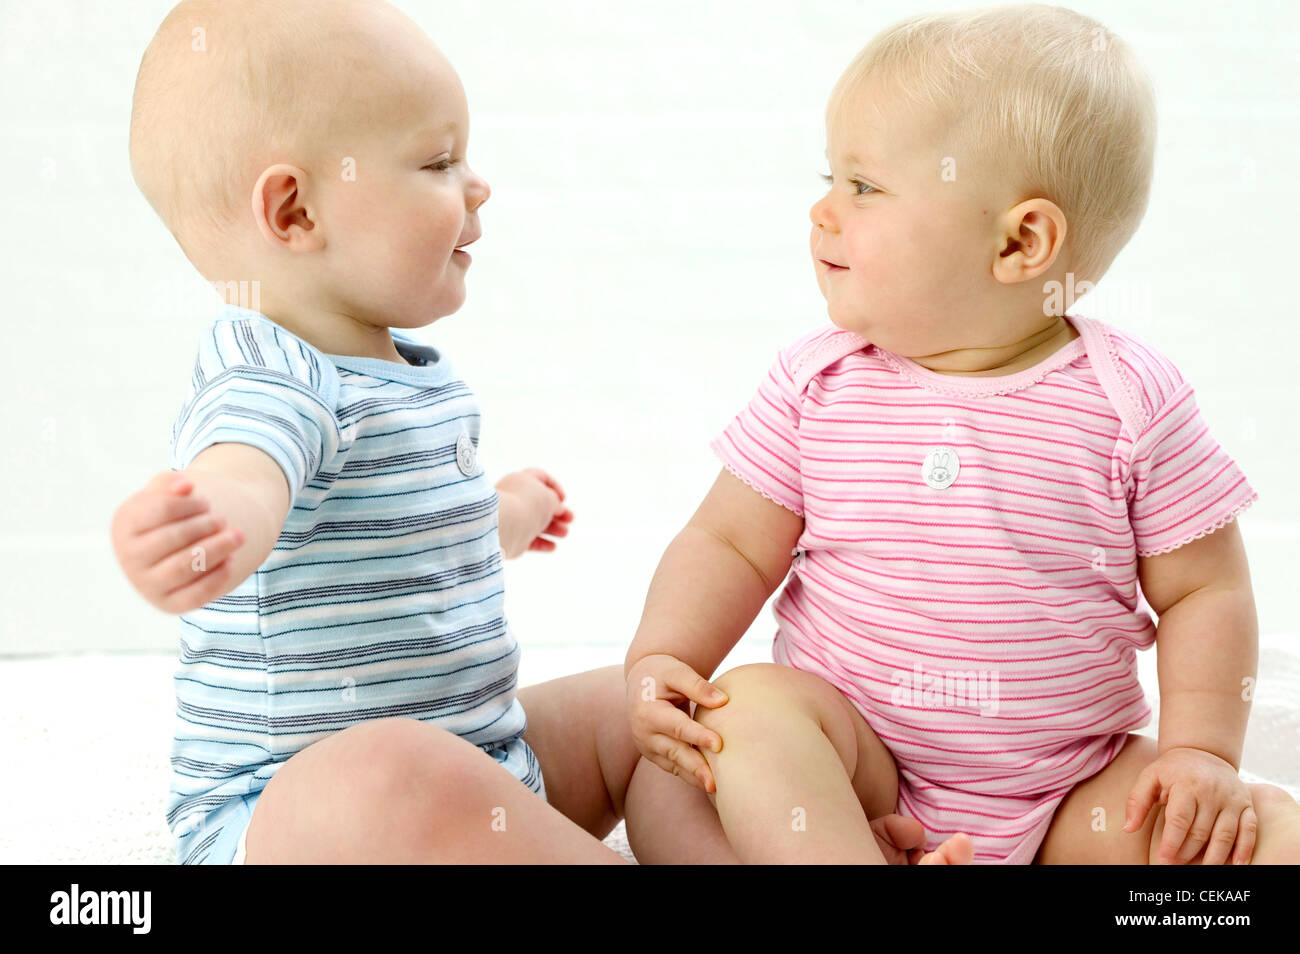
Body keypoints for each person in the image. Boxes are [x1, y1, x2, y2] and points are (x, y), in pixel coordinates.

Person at [622, 4, 1300, 865]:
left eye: (863, 187)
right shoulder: (817, 383)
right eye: (831, 178)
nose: (823, 211)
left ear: (1020, 242)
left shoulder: (1132, 402)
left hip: (1068, 790)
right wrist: (665, 653)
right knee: (740, 718)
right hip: (854, 771)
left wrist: (1201, 753)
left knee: (1262, 831)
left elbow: (1204, 591)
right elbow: (727, 542)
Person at [111, 0, 640, 864]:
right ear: (295, 212)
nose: (478, 186)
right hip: (296, 819)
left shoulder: (402, 369)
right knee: (392, 773)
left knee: (646, 704)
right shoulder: (272, 374)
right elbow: (248, 472)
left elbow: (419, 534)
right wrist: (209, 522)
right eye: (438, 161)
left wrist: (510, 510)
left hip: (483, 766)